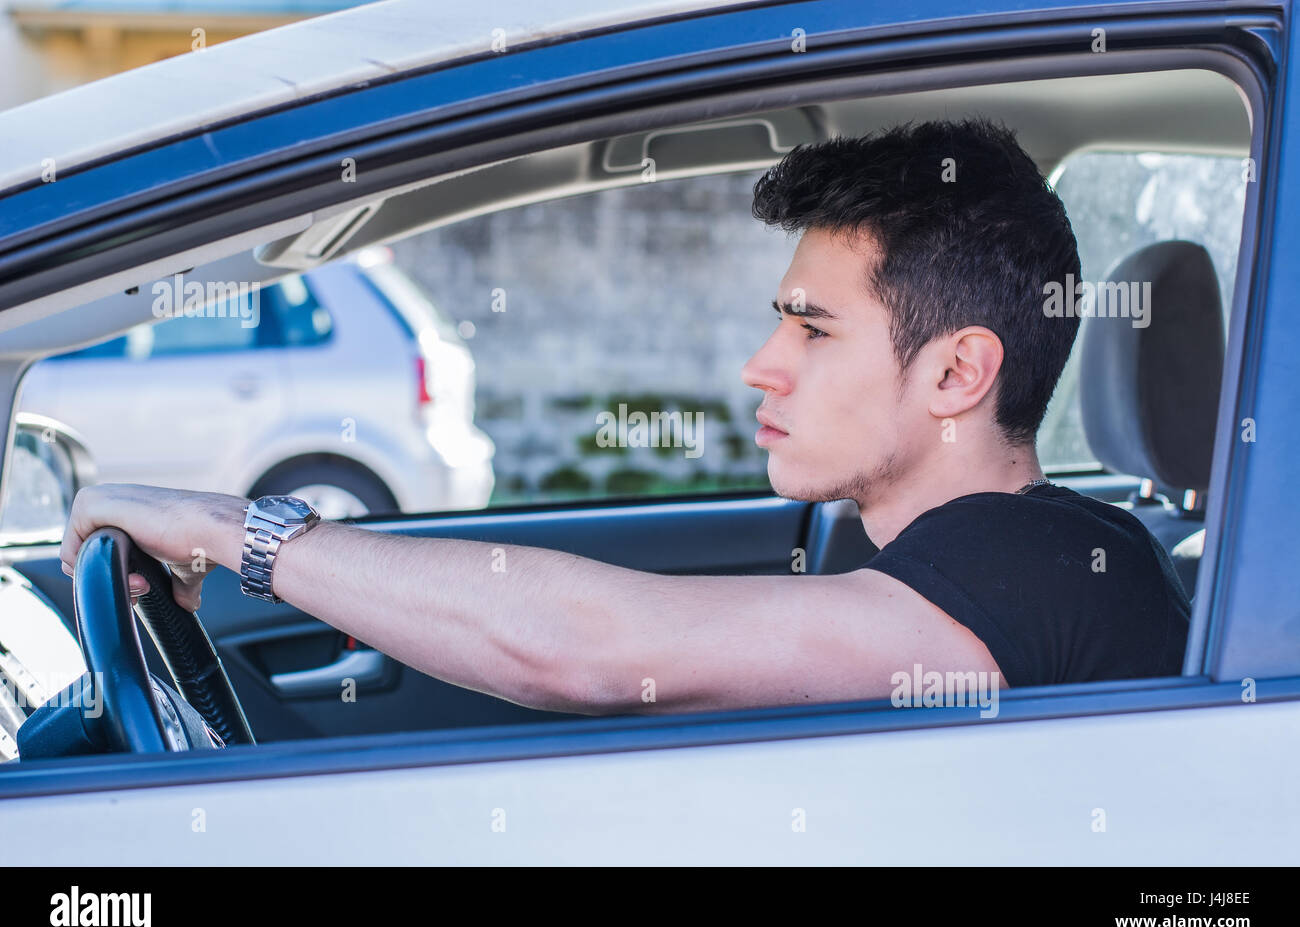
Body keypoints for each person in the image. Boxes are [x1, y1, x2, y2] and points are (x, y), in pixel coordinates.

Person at [59, 118, 1189, 716]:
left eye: (811, 328)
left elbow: (594, 653)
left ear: (956, 375)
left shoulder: (1049, 565)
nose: (761, 365)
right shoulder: (993, 554)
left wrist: (235, 529)